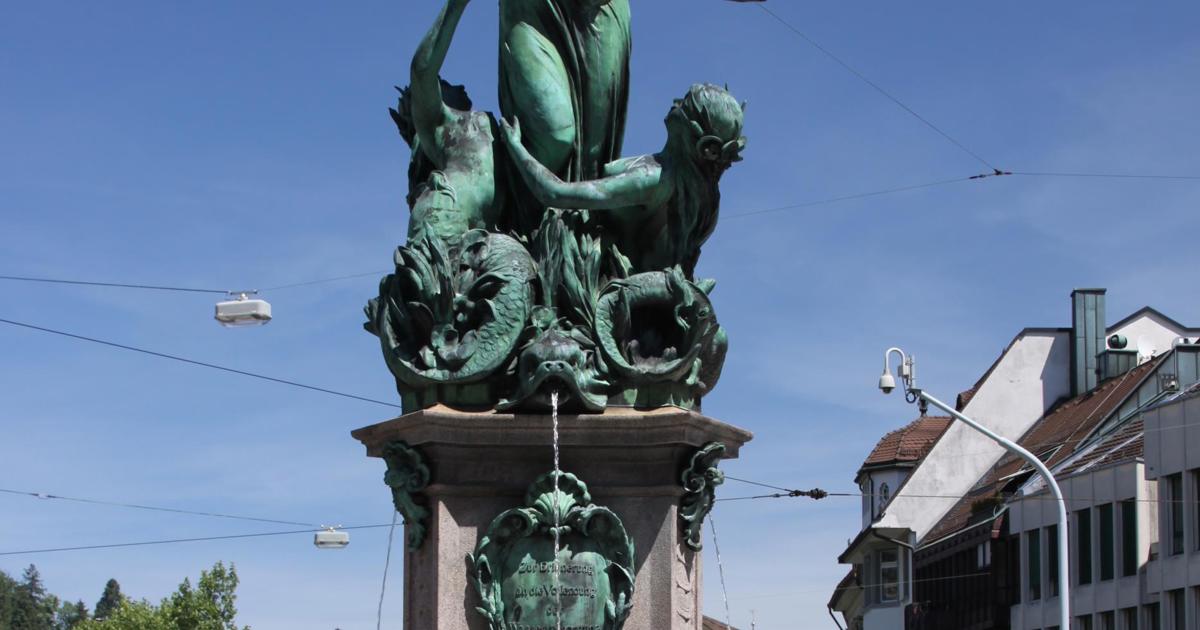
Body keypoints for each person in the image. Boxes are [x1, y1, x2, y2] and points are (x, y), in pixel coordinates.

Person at [501, 83, 746, 276]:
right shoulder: (709, 203)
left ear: (703, 145)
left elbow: (553, 193)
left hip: (601, 284)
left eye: (685, 104)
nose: (676, 103)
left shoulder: (653, 179)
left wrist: (515, 147)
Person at [390, 0, 502, 247]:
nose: (460, 87)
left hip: (492, 230)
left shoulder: (481, 124)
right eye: (447, 85)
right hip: (446, 212)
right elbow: (421, 71)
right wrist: (456, 6)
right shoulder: (441, 125)